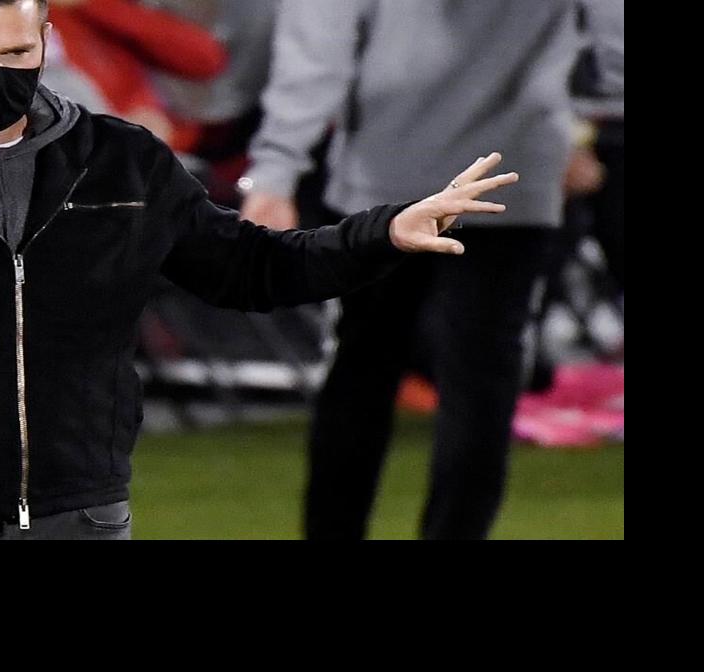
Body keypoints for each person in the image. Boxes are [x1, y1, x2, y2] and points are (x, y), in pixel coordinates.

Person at [0, 0, 517, 540]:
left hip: (83, 512)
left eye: (13, 54)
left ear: (45, 40)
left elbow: (252, 267)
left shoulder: (120, 161)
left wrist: (385, 232)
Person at [239, 0, 585, 540]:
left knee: (361, 370)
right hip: (513, 176)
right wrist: (581, 124)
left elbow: (317, 50)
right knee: (481, 382)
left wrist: (276, 170)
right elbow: (613, 43)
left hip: (385, 181)